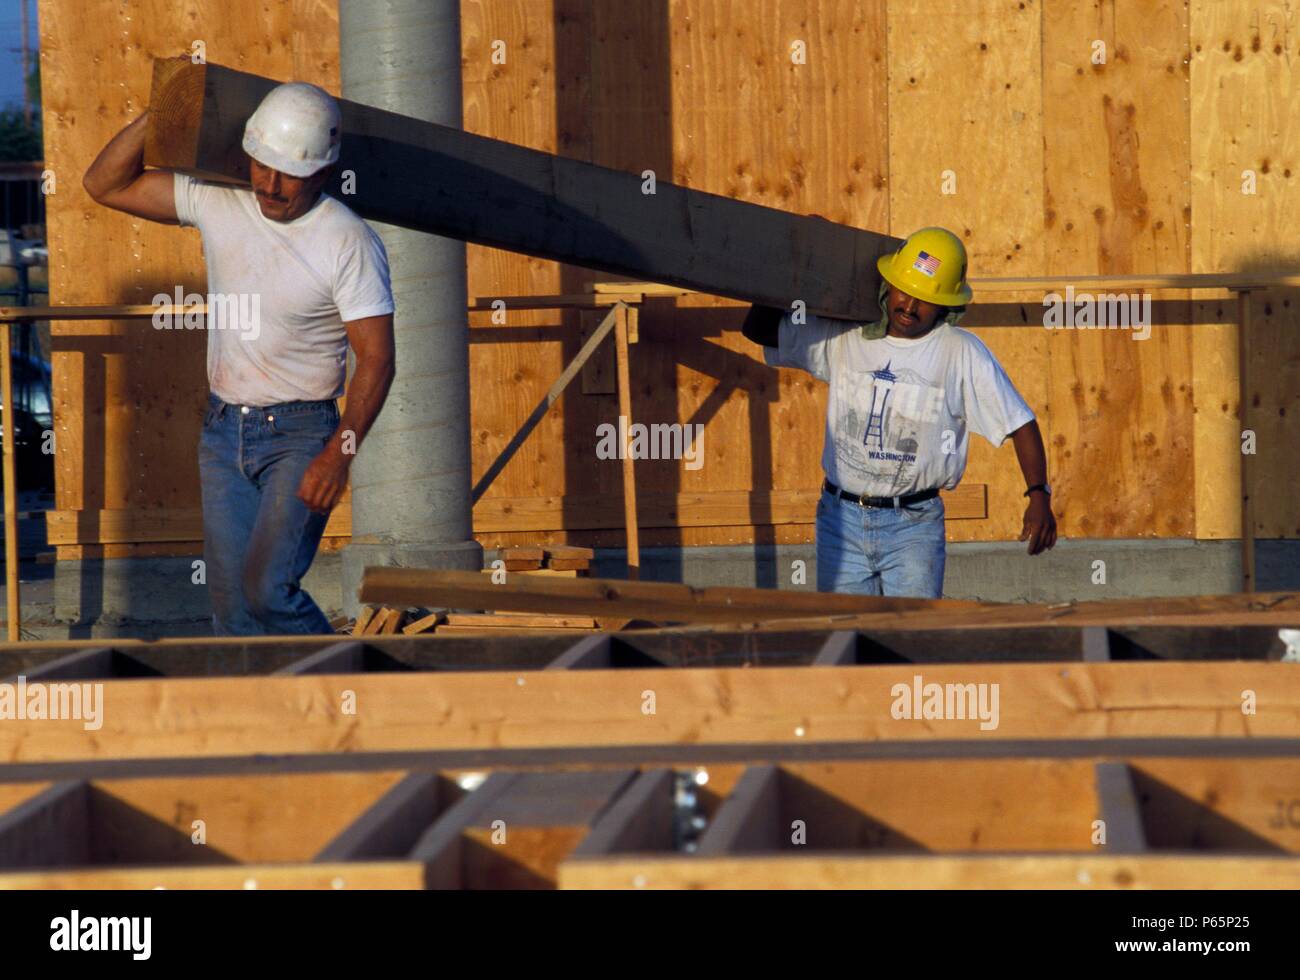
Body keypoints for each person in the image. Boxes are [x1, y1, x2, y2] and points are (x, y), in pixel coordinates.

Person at [83, 80, 396, 634]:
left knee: (268, 591)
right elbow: (103, 185)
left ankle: (357, 696)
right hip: (224, 431)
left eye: (289, 174)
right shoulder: (218, 197)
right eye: (261, 166)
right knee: (231, 611)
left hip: (301, 435)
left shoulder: (348, 241)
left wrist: (338, 454)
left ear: (322, 173)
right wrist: (159, 114)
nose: (270, 186)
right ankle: (265, 719)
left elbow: (375, 359)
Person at [741, 226, 1056, 597]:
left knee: (911, 640)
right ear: (886, 287)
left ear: (947, 306)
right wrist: (795, 254)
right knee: (844, 637)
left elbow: (1020, 423)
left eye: (925, 298)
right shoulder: (848, 337)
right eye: (903, 291)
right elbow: (758, 329)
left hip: (913, 527)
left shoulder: (960, 352)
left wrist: (1039, 496)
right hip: (841, 520)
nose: (909, 306)